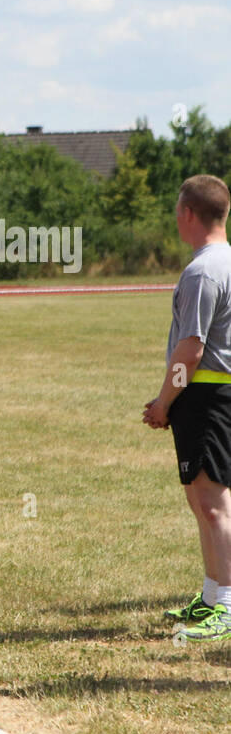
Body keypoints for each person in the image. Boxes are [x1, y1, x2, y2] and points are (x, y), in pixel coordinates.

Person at [144, 174, 231, 642]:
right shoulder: (224, 261)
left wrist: (164, 401)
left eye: (178, 210)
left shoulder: (202, 271)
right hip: (213, 393)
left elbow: (191, 350)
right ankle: (212, 595)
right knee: (202, 500)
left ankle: (227, 606)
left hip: (206, 394)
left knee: (213, 504)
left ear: (189, 213)